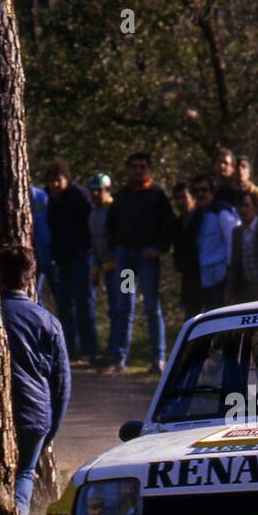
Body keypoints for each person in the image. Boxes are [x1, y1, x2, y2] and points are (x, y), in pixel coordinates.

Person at [0, 246, 70, 515]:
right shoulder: (48, 321)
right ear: (30, 279)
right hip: (34, 416)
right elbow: (61, 384)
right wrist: (50, 429)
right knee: (23, 474)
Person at [106, 152, 175, 373]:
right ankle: (119, 357)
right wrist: (116, 248)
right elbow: (111, 225)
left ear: (149, 169)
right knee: (124, 305)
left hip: (147, 258)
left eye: (142, 167)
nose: (138, 170)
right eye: (134, 167)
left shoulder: (157, 195)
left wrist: (158, 248)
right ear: (128, 169)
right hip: (126, 258)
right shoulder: (122, 196)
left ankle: (158, 359)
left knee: (151, 307)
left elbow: (168, 225)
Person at [44, 161, 97, 363]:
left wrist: (87, 249)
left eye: (58, 180)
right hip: (61, 259)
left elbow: (91, 224)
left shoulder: (79, 196)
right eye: (51, 181)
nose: (55, 184)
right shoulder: (48, 199)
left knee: (85, 302)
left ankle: (89, 349)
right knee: (65, 304)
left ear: (67, 179)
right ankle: (71, 350)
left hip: (82, 257)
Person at [87, 173, 123, 371]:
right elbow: (94, 245)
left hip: (124, 270)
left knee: (124, 307)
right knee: (113, 309)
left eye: (98, 190)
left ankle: (120, 354)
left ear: (108, 190)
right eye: (92, 190)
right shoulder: (93, 213)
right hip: (107, 269)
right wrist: (95, 270)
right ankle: (113, 351)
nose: (94, 194)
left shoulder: (114, 210)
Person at [193, 175, 240, 313]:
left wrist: (230, 272)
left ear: (212, 191)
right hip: (207, 276)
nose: (200, 194)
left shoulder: (223, 212)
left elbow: (232, 240)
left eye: (204, 190)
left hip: (221, 277)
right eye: (196, 191)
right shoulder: (201, 214)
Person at [226, 194, 258, 304]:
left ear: (255, 207)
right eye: (240, 206)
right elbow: (235, 262)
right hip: (246, 287)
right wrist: (230, 291)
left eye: (247, 206)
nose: (243, 210)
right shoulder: (237, 232)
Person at [171, 180, 202, 320]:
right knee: (191, 315)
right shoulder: (177, 223)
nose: (180, 201)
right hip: (189, 276)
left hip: (206, 273)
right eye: (177, 198)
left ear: (193, 198)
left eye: (184, 197)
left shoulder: (203, 217)